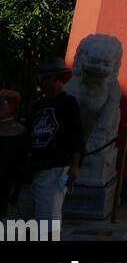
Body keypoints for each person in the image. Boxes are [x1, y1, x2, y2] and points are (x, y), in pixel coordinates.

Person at [27, 57, 84, 224]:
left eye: (46, 78)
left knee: (49, 217)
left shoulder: (68, 103)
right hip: (37, 166)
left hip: (57, 166)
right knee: (40, 215)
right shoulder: (39, 105)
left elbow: (76, 134)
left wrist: (74, 165)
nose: (42, 82)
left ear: (56, 79)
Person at [0, 89, 29, 218]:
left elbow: (21, 161)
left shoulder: (20, 131)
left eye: (5, 102)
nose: (1, 105)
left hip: (10, 181)